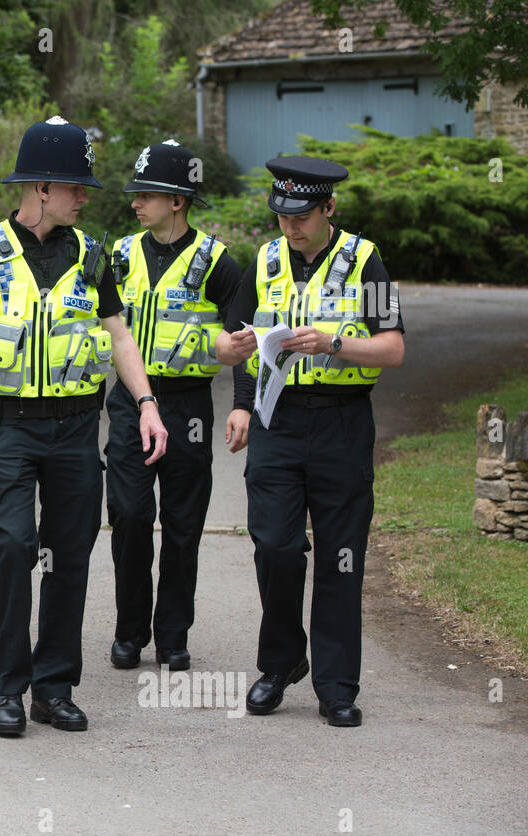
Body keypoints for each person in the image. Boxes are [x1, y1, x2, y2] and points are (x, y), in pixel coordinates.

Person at [0, 116, 168, 736]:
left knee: (71, 554)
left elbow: (119, 335)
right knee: (10, 546)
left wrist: (145, 402)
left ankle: (54, 687)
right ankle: (6, 686)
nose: (85, 194)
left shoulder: (91, 255)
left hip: (75, 430)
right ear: (39, 187)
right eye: (74, 185)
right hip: (6, 429)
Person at [216, 156, 405, 728]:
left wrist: (333, 343)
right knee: (274, 545)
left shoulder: (365, 261)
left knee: (340, 555)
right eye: (280, 216)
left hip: (341, 425)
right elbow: (235, 342)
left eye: (300, 216)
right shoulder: (267, 259)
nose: (289, 228)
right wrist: (236, 377)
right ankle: (281, 663)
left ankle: (336, 685)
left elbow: (393, 349)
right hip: (277, 421)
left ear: (329, 209)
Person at [106, 140, 251, 672]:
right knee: (129, 516)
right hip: (128, 402)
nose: (136, 203)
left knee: (184, 523)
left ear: (178, 201)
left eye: (146, 194)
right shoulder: (118, 256)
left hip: (188, 406)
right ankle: (129, 631)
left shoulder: (217, 264)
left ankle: (172, 636)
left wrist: (242, 403)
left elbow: (242, 341)